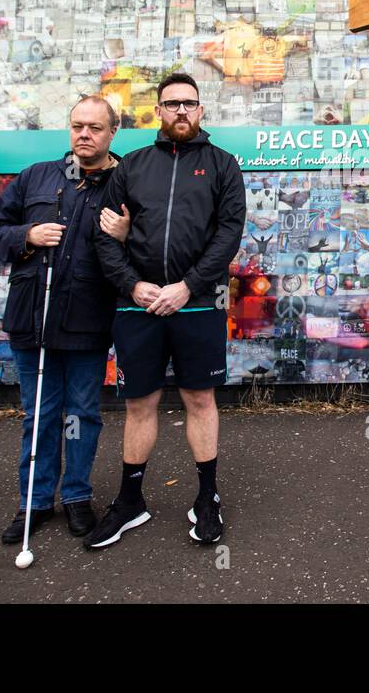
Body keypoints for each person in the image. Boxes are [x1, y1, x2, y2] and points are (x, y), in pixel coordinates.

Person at [89, 72, 246, 548]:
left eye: (190, 103)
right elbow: (105, 234)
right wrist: (133, 285)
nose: (181, 110)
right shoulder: (132, 166)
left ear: (201, 111)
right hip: (137, 307)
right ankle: (130, 502)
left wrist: (187, 286)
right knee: (140, 404)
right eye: (172, 103)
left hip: (196, 305)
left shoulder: (223, 165)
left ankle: (207, 496)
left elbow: (228, 234)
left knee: (200, 400)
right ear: (157, 111)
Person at [0, 95, 123, 544]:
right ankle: (34, 501)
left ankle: (77, 498)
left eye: (95, 128)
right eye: (77, 126)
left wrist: (127, 233)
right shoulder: (36, 177)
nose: (84, 134)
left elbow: (143, 248)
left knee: (81, 414)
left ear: (112, 133)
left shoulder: (124, 182)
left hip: (87, 319)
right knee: (40, 414)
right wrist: (26, 235)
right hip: (33, 316)